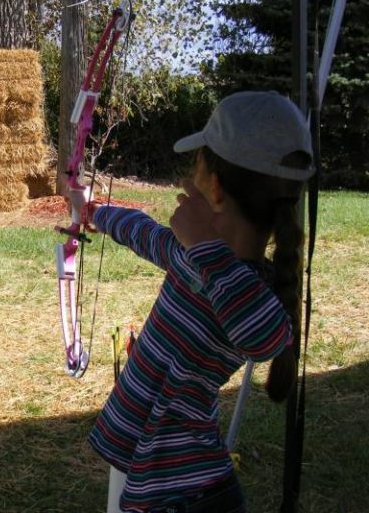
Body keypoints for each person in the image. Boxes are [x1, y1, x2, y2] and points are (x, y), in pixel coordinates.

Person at [85, 91, 315, 513]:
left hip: (189, 493)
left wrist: (205, 244)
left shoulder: (244, 283)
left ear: (214, 186)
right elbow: (143, 232)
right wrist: (96, 213)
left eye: (198, 164)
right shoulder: (192, 256)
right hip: (160, 476)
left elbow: (266, 337)